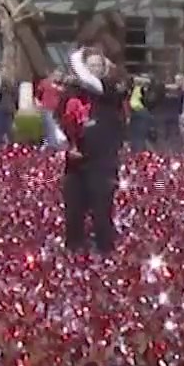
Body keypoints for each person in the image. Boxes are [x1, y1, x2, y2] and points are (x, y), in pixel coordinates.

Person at [57, 47, 127, 254]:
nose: (94, 69)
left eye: (99, 65)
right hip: (76, 163)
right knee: (73, 210)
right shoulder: (75, 93)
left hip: (103, 163)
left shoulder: (110, 89)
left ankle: (105, 251)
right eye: (91, 65)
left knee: (101, 210)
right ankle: (74, 250)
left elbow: (99, 84)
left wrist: (78, 59)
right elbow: (62, 117)